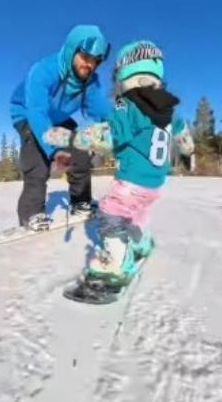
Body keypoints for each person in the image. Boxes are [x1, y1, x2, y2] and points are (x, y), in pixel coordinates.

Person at [50, 40, 194, 289]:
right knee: (136, 212)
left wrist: (72, 137)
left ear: (124, 71)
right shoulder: (169, 107)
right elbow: (183, 135)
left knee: (112, 213)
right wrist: (189, 151)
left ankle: (116, 264)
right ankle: (139, 243)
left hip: (132, 179)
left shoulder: (125, 103)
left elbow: (111, 136)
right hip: (156, 183)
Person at [9, 25, 113, 231]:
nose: (90, 65)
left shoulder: (91, 82)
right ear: (72, 49)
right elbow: (37, 113)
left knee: (81, 148)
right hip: (29, 115)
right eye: (86, 57)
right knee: (37, 159)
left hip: (59, 119)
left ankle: (80, 202)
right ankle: (32, 213)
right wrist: (55, 150)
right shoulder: (43, 71)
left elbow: (104, 109)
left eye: (96, 61)